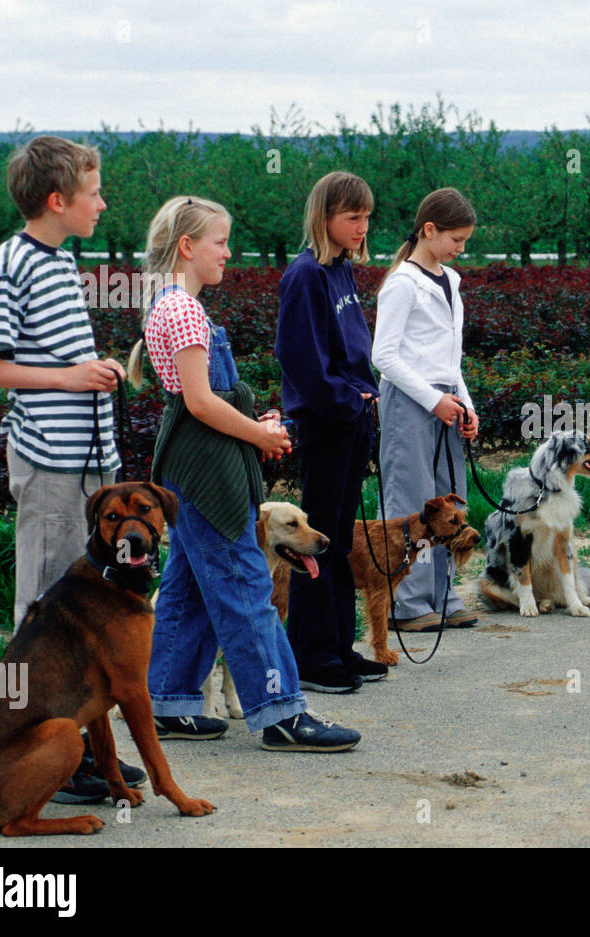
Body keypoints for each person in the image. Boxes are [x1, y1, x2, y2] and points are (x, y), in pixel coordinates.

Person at [126, 195, 360, 752]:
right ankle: (280, 712)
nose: (229, 252)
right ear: (187, 246)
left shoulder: (168, 303)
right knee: (244, 583)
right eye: (220, 241)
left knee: (186, 586)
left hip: (190, 466)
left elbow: (198, 401)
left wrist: (254, 421)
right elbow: (203, 403)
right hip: (209, 473)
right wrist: (258, 434)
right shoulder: (181, 309)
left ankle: (168, 702)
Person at [0, 135, 134, 802]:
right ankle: (33, 754)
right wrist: (66, 377)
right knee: (42, 615)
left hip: (87, 469)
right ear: (59, 200)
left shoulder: (58, 260)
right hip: (52, 471)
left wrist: (91, 376)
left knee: (81, 612)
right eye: (93, 193)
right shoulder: (14, 261)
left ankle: (76, 750)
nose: (103, 203)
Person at [276, 171, 386, 691]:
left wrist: (363, 400)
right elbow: (299, 360)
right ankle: (312, 656)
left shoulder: (340, 270)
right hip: (326, 423)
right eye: (352, 217)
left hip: (352, 420)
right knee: (316, 539)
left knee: (340, 538)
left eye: (366, 217)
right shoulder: (305, 275)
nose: (363, 226)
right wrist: (346, 400)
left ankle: (340, 645)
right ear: (325, 218)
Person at [370, 187, 480, 631]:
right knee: (411, 502)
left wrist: (465, 407)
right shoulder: (401, 283)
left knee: (450, 500)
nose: (461, 248)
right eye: (456, 239)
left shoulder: (451, 281)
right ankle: (405, 602)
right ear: (428, 230)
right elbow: (384, 356)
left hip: (446, 400)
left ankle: (441, 593)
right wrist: (433, 400)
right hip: (410, 401)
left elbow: (450, 358)